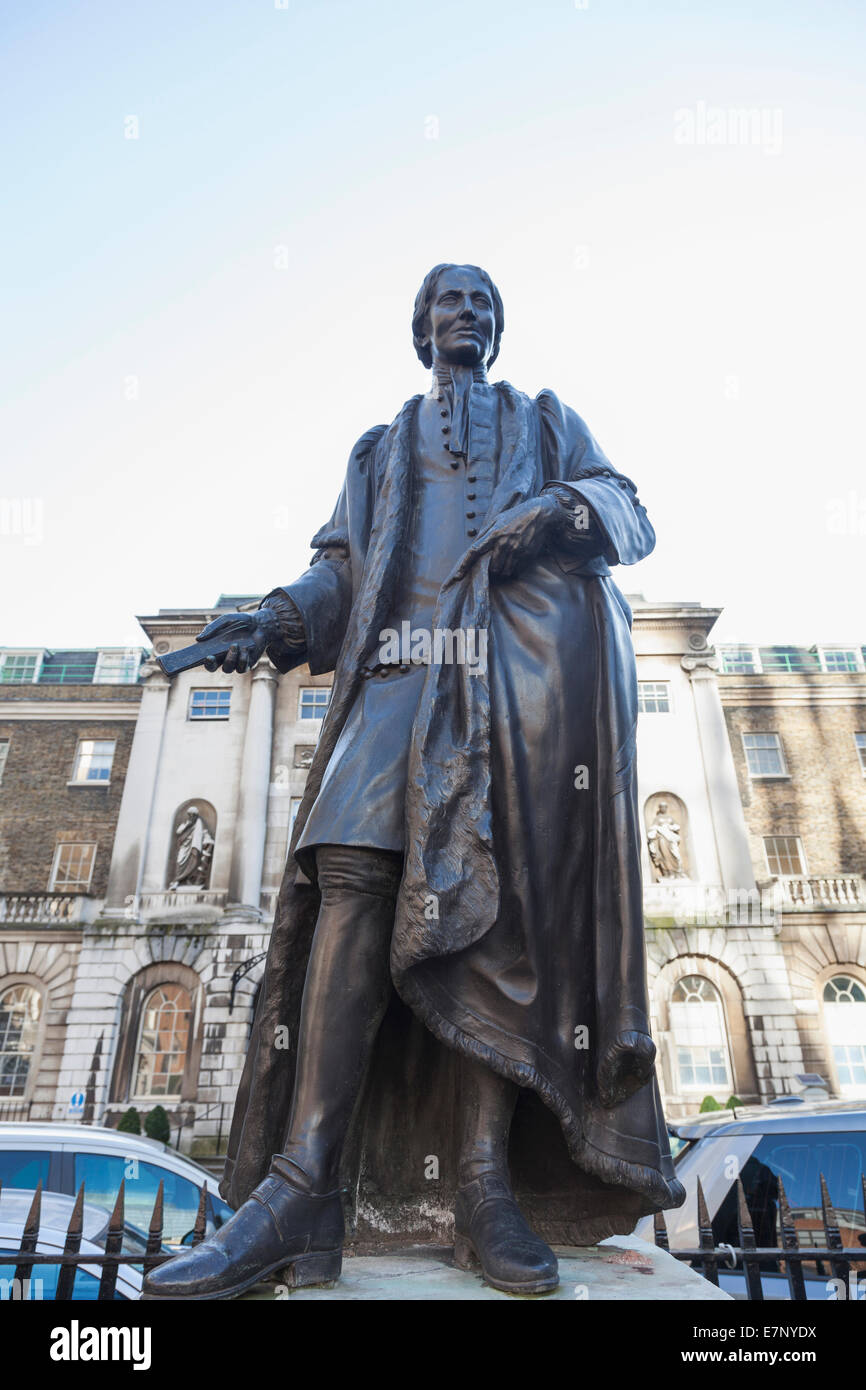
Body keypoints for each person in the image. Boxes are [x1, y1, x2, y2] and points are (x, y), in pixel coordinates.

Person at [143, 263, 684, 1301]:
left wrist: (557, 508)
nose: (467, 314)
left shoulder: (543, 418)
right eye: (449, 299)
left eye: (483, 301)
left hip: (516, 686)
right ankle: (303, 1185)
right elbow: (340, 569)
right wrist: (275, 618)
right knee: (348, 868)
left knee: (491, 913)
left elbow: (626, 508)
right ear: (418, 326)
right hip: (399, 674)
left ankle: (481, 1187)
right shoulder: (381, 447)